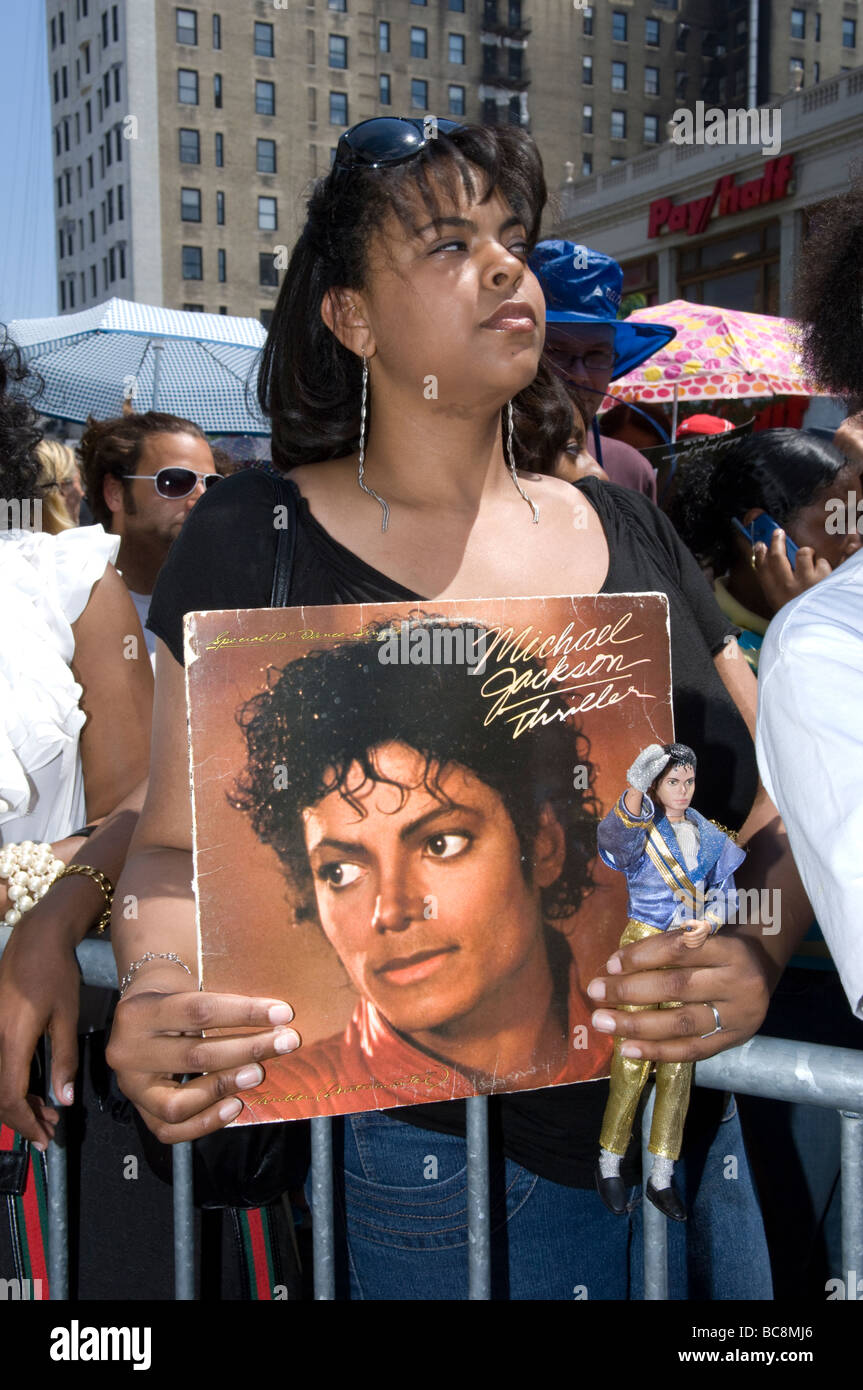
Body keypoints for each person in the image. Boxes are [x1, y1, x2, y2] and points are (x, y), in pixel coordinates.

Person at [108, 116, 811, 1301]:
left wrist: (755, 939)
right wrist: (153, 987)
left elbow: (773, 809)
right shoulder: (251, 535)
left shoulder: (625, 526)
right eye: (445, 243)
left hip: (702, 1137)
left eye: (512, 239)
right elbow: (174, 849)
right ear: (352, 319)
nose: (501, 268)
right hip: (443, 1171)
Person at [225, 623, 603, 1121]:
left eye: (441, 844)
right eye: (340, 871)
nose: (391, 911)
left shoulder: (653, 1045)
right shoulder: (274, 1103)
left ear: (545, 844)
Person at [595, 743, 744, 1223]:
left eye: (688, 781)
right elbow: (615, 844)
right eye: (673, 782)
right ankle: (610, 1161)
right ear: (658, 786)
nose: (682, 790)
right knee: (633, 1058)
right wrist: (634, 791)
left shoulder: (710, 837)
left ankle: (662, 1172)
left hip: (688, 949)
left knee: (681, 1065)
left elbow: (729, 894)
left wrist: (713, 923)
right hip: (643, 945)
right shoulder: (644, 834)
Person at [668, 428, 862, 671]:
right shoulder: (709, 646)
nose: (856, 543)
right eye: (838, 524)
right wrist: (805, 625)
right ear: (762, 531)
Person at [529, 240, 675, 503]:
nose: (580, 375)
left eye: (597, 355)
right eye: (558, 352)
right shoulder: (475, 461)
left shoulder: (633, 469)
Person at [77, 410, 219, 660]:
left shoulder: (221, 602)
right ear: (115, 493)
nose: (201, 498)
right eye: (175, 481)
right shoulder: (70, 597)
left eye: (212, 484)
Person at [33, 438, 81, 532]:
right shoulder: (87, 544)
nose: (82, 493)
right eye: (80, 482)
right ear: (62, 490)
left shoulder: (9, 541)